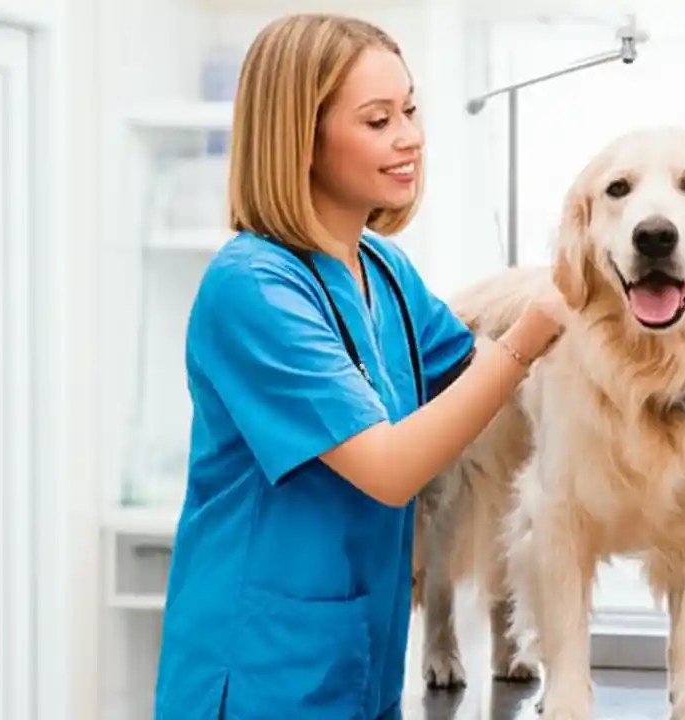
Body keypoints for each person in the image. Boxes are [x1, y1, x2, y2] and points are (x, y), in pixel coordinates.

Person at [152, 14, 564, 719]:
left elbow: (483, 384)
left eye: (410, 109)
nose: (410, 136)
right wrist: (532, 329)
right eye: (378, 120)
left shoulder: (382, 270)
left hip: (359, 667)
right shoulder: (253, 288)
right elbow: (392, 467)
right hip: (259, 676)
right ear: (298, 139)